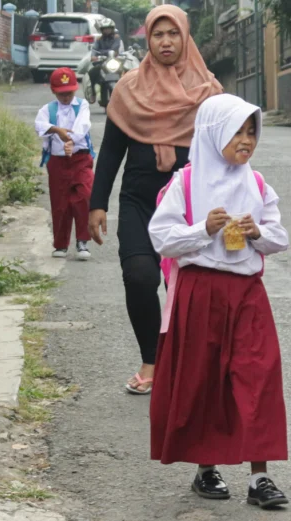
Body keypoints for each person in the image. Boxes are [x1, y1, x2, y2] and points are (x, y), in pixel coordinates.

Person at [148, 94, 289, 509]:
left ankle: (260, 476)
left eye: (252, 132)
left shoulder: (257, 183)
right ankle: (206, 468)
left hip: (247, 294)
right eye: (236, 132)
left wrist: (257, 233)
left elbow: (280, 238)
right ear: (212, 134)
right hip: (200, 292)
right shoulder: (186, 183)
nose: (246, 141)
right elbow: (161, 238)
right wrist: (202, 229)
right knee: (204, 378)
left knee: (259, 375)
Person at [88, 5, 222, 394]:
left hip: (191, 206)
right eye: (158, 34)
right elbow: (111, 150)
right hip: (140, 201)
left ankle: (193, 365)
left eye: (173, 34)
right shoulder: (129, 89)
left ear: (185, 36)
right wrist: (98, 203)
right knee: (139, 276)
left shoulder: (209, 93)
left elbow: (227, 154)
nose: (166, 42)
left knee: (193, 288)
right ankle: (152, 359)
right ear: (148, 39)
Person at [35, 68, 95, 260]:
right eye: (62, 94)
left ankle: (82, 240)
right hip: (58, 162)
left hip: (80, 159)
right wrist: (56, 130)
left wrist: (70, 140)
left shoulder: (82, 105)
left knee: (84, 196)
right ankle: (61, 244)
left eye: (69, 93)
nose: (66, 97)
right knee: (60, 202)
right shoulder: (48, 110)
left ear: (75, 89)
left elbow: (82, 125)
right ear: (53, 91)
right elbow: (39, 125)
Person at [88, 18, 123, 105]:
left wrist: (102, 52)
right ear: (102, 30)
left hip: (115, 61)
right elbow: (95, 49)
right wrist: (93, 56)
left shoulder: (116, 37)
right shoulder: (99, 39)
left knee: (126, 71)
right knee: (92, 72)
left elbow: (114, 49)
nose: (107, 30)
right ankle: (93, 92)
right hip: (102, 62)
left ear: (112, 29)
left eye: (108, 28)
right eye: (105, 29)